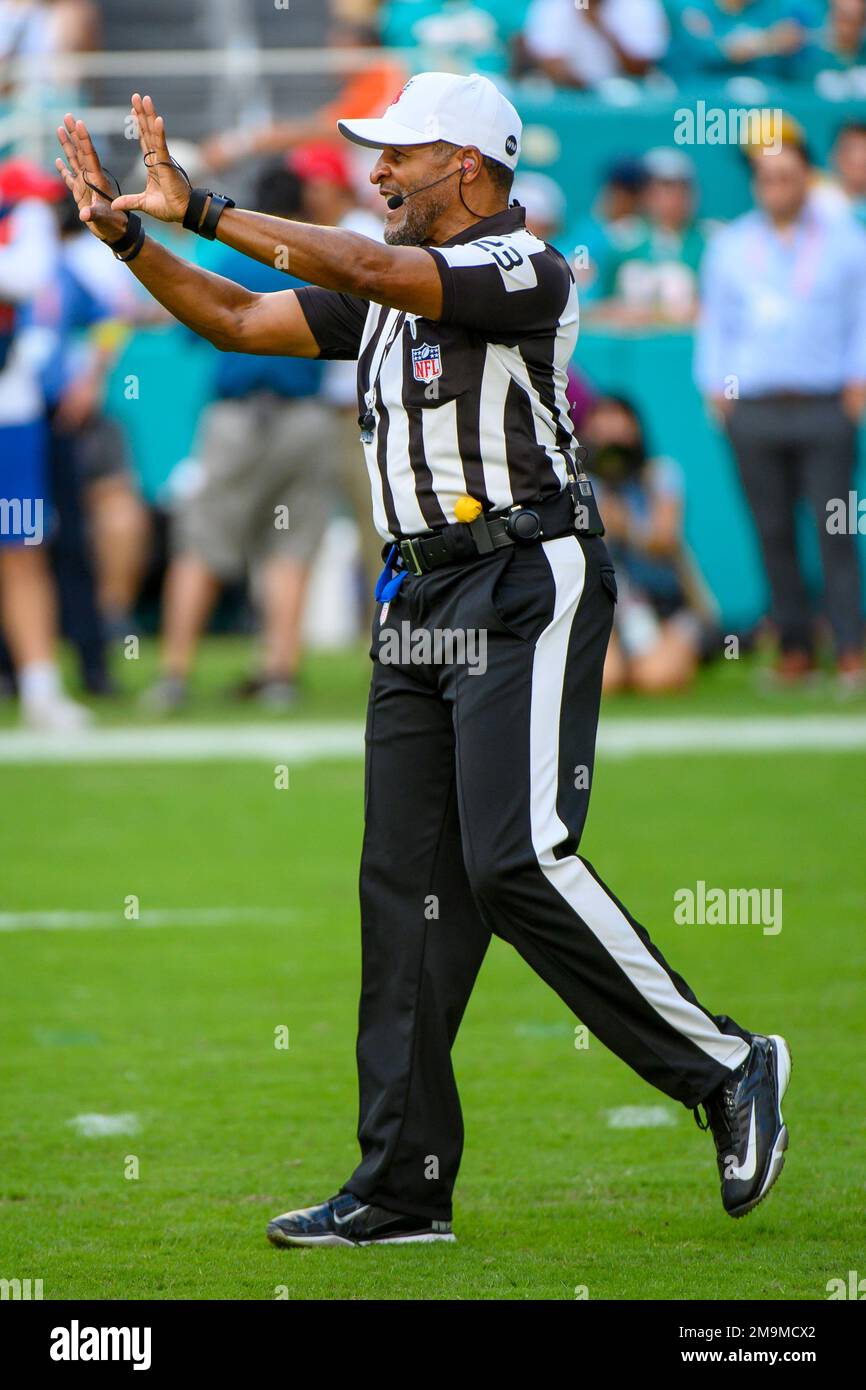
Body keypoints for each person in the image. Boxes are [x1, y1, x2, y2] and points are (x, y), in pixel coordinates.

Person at [57, 73, 792, 1247]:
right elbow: (244, 322)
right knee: (404, 896)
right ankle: (401, 1185)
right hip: (420, 592)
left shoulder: (519, 265)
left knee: (515, 860)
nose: (378, 170)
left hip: (521, 576)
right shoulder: (392, 281)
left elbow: (366, 270)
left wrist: (204, 207)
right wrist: (134, 239)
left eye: (401, 152)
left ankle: (724, 1065)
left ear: (470, 164)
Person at [142, 164, 337, 713]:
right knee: (290, 550)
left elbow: (191, 327)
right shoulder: (318, 259)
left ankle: (175, 675)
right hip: (305, 419)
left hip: (238, 421)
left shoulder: (231, 256)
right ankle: (278, 673)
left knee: (202, 544)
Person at [696, 142, 866, 689]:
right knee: (771, 530)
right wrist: (715, 388)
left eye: (787, 177)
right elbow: (717, 322)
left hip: (823, 403)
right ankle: (794, 649)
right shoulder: (732, 246)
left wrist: (858, 381)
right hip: (755, 406)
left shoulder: (845, 242)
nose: (778, 188)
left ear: (807, 179)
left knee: (833, 530)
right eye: (768, 178)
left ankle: (849, 648)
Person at [0, 156, 90, 730]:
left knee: (22, 546)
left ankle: (39, 686)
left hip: (13, 411)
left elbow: (27, 276)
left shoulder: (25, 208)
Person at [582, 394, 714, 694]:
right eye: (602, 421)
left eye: (619, 420)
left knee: (656, 677)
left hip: (663, 601)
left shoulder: (659, 474)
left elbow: (664, 540)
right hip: (606, 605)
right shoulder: (580, 482)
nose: (611, 430)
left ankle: (682, 648)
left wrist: (626, 526)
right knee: (607, 680)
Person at [589, 148, 706, 327]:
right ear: (645, 193)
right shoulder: (618, 239)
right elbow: (589, 307)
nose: (672, 198)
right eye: (663, 188)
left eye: (680, 188)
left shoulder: (709, 242)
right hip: (629, 349)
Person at [521, 0, 670, 87]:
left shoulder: (638, 4)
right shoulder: (555, 4)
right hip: (572, 93)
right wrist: (589, 90)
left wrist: (597, 23)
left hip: (628, 91)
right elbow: (551, 65)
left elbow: (639, 69)